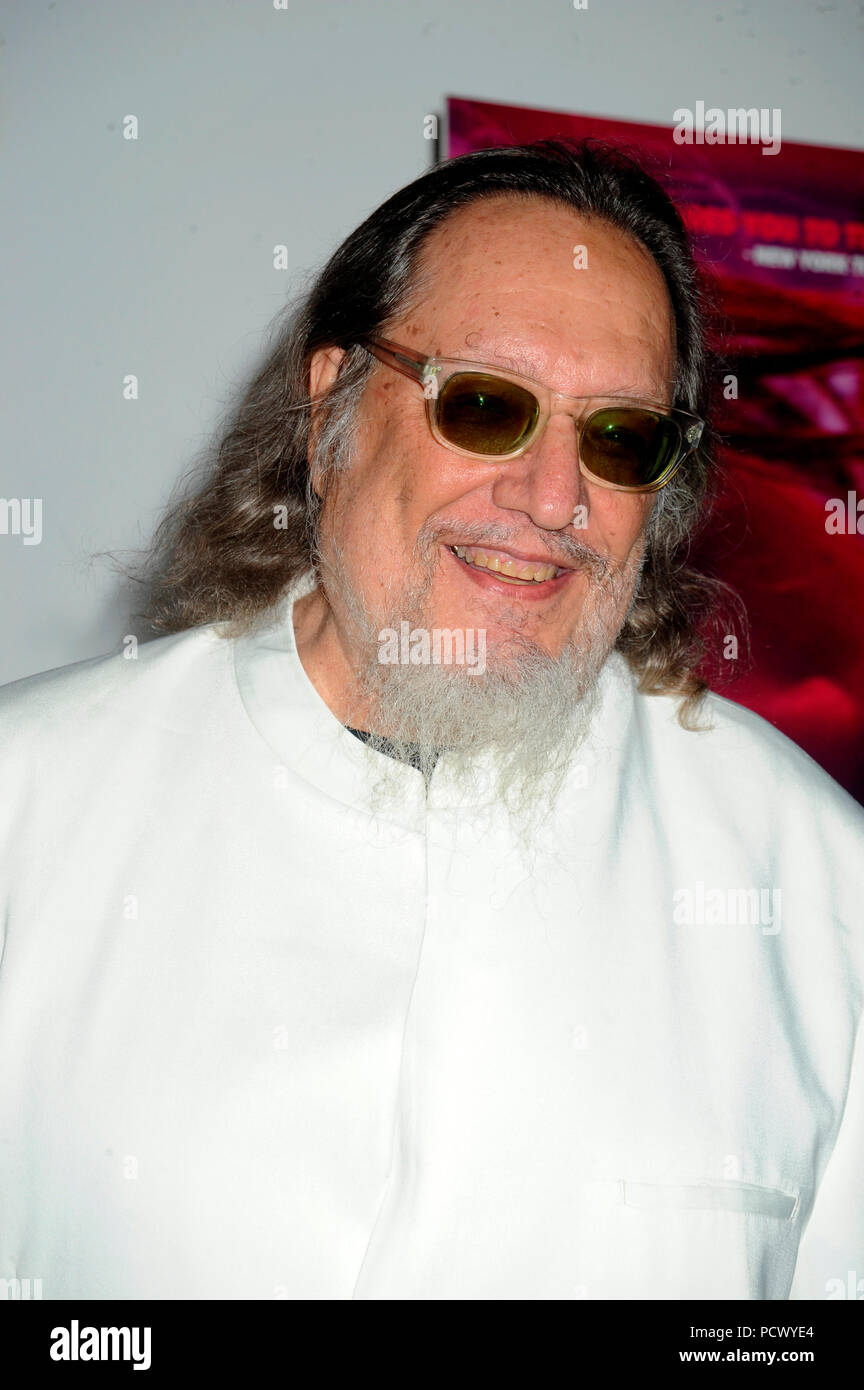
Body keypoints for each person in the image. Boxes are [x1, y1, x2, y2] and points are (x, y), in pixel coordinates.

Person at [0, 140, 862, 1301]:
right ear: (329, 412)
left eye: (618, 438)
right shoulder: (32, 804)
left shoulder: (814, 886)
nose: (554, 500)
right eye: (486, 405)